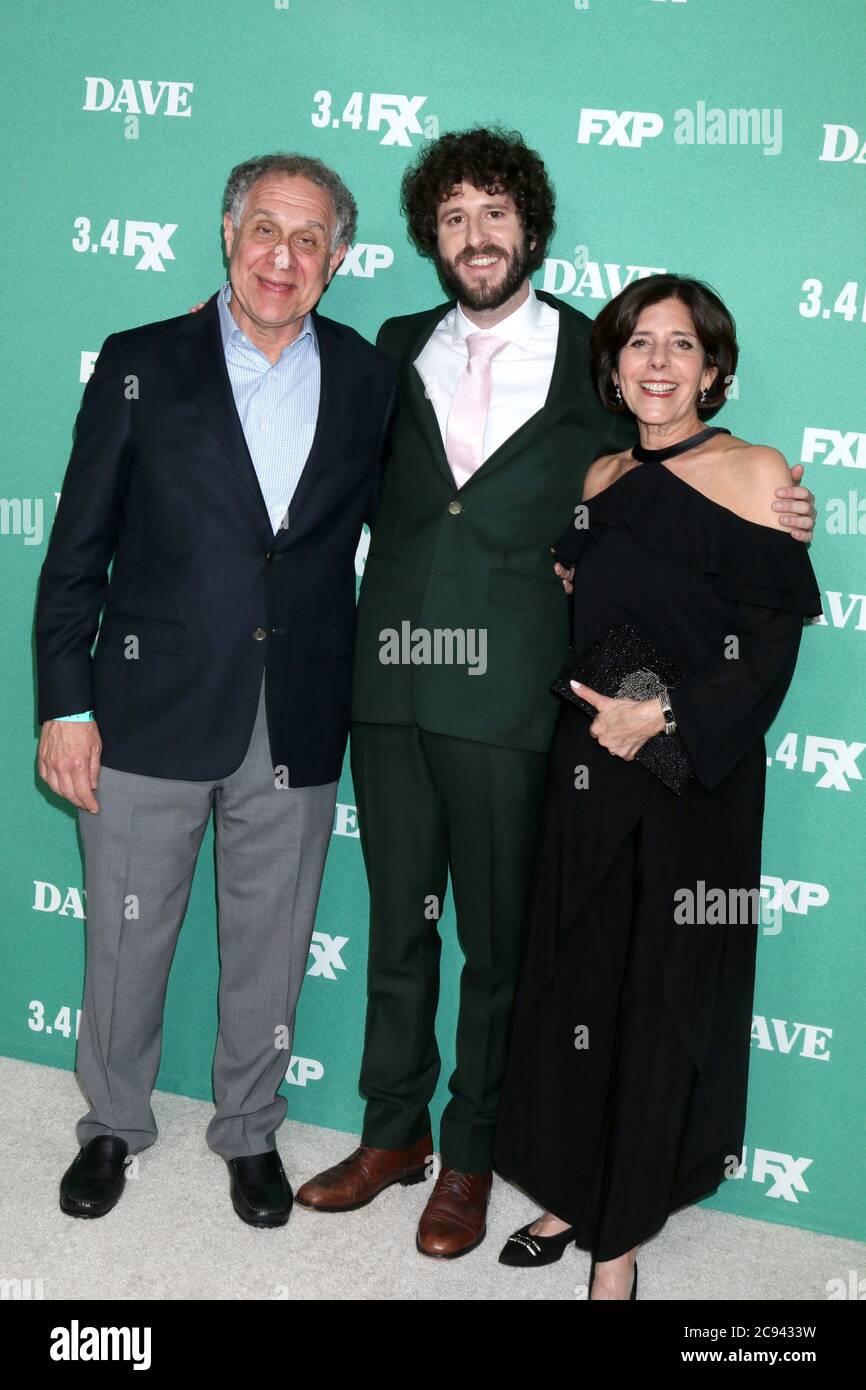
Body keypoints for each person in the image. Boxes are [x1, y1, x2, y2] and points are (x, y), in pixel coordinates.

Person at [295, 129, 817, 1258]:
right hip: (388, 685)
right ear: (429, 237)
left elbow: (661, 492)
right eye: (451, 218)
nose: (474, 236)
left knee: (496, 946)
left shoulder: (600, 357)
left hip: (516, 701)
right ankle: (390, 1133)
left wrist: (778, 512)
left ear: (528, 227)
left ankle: (472, 1154)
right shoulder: (386, 347)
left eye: (494, 214)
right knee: (396, 926)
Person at [35, 153, 396, 1228]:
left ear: (335, 261)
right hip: (145, 707)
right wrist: (67, 703)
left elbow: (428, 526)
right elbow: (76, 551)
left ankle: (248, 1130)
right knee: (126, 937)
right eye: (263, 232)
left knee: (271, 943)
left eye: (308, 239)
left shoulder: (370, 380)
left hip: (294, 707)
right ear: (227, 237)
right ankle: (111, 1125)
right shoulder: (144, 363)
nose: (281, 256)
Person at [493, 274, 822, 1298]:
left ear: (711, 369)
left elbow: (767, 649)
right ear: (614, 364)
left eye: (680, 346)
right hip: (591, 763)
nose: (657, 363)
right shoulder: (595, 477)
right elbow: (581, 584)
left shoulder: (756, 472)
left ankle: (620, 1237)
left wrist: (665, 715)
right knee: (578, 979)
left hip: (693, 779)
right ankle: (570, 1187)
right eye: (638, 344)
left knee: (656, 994)